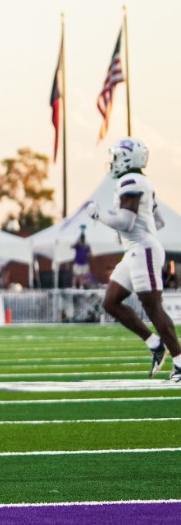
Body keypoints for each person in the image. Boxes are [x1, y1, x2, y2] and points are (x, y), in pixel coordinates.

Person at [95, 138, 178, 380]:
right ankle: (154, 343)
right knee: (111, 302)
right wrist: (136, 234)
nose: (113, 162)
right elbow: (158, 222)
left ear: (128, 159)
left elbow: (126, 222)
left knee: (152, 306)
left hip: (142, 250)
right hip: (135, 250)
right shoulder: (140, 181)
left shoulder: (130, 181)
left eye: (117, 157)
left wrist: (99, 214)